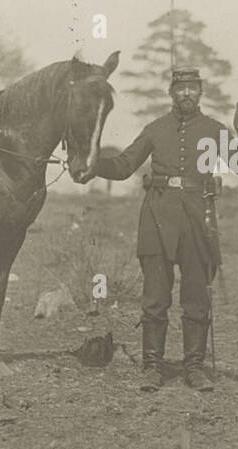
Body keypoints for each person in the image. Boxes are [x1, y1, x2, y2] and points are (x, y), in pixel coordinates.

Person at [93, 68, 227, 392]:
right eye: (181, 88)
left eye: (193, 88)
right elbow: (124, 166)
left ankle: (194, 367)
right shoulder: (155, 130)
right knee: (155, 298)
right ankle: (153, 367)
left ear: (200, 93)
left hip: (199, 220)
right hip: (156, 219)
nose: (187, 94)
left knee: (196, 298)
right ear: (171, 92)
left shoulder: (215, 130)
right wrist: (92, 161)